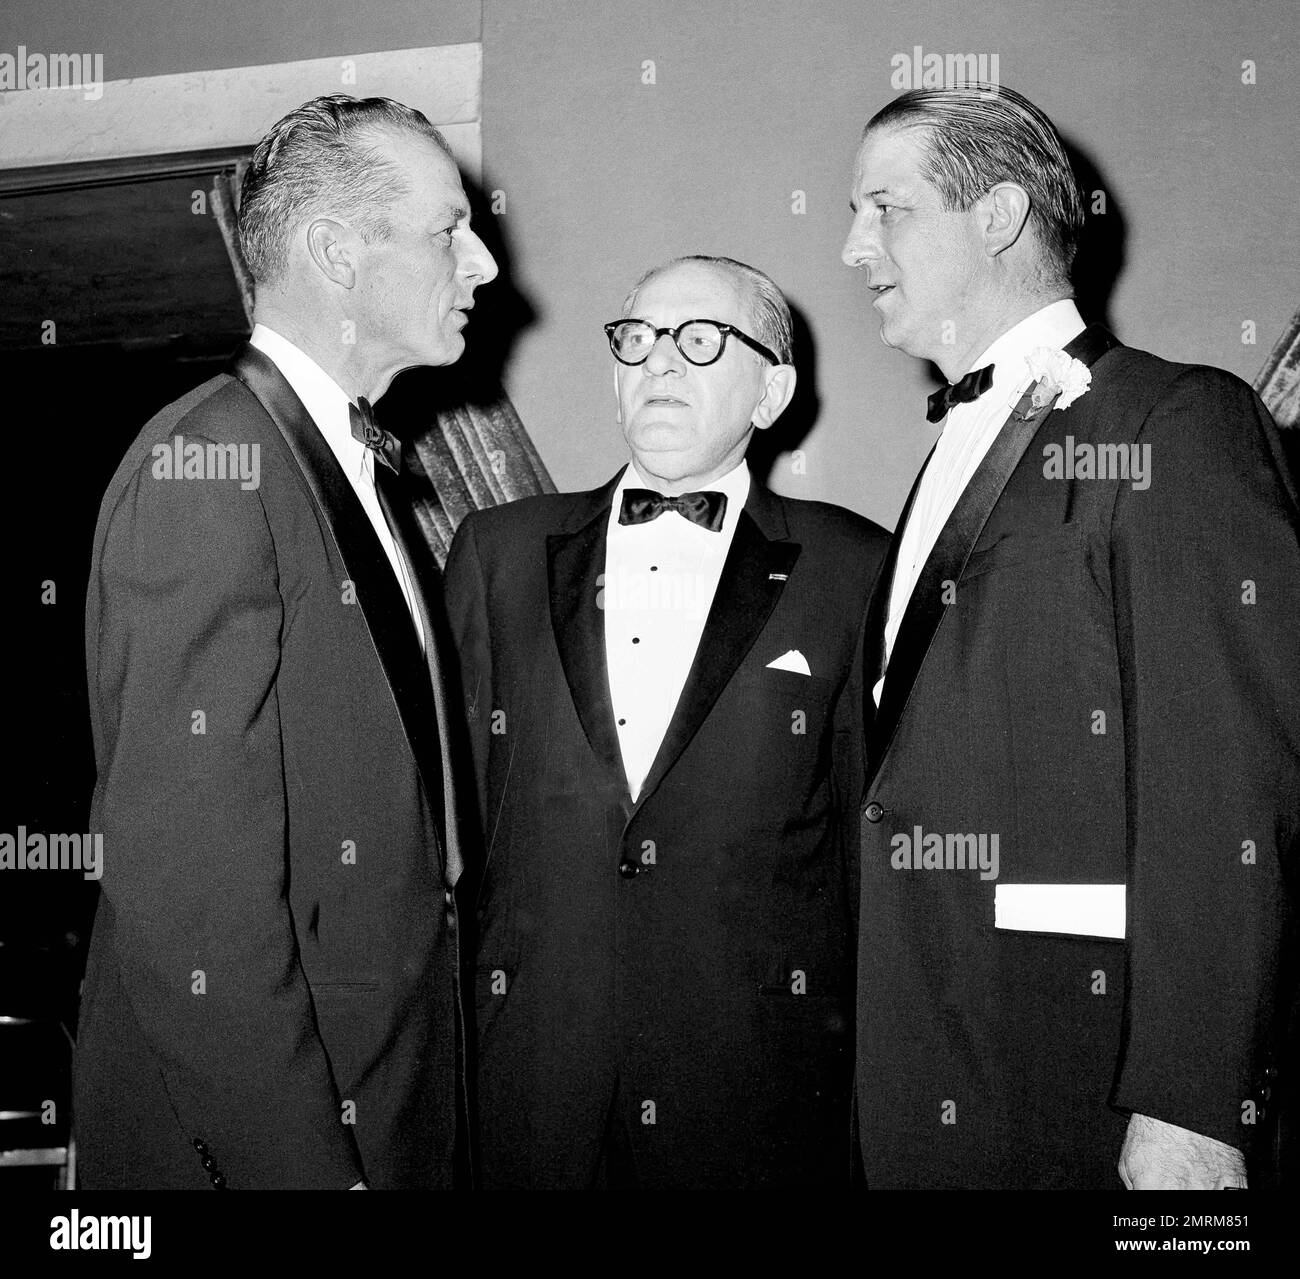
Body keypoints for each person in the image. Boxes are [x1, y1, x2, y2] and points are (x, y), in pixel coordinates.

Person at [843, 83, 1298, 1189]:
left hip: (1085, 1091)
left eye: (883, 209)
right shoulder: (950, 445)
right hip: (924, 1068)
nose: (853, 249)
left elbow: (1226, 788)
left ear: (996, 215)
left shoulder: (1177, 422)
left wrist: (1195, 1106)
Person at [73, 94, 497, 1189]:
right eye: (448, 229)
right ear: (334, 251)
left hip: (388, 1100)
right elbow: (189, 904)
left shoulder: (334, 466)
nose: (485, 263)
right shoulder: (208, 467)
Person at [444, 255, 888, 1188]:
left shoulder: (853, 567)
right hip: (526, 1095)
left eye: (701, 340)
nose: (660, 363)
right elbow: (448, 840)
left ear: (773, 391)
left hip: (757, 1100)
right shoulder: (498, 553)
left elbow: (867, 863)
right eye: (637, 339)